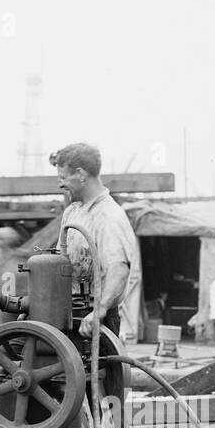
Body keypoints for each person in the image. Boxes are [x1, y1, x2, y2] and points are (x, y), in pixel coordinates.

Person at [50, 142, 139, 339]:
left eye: (63, 177)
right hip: (67, 312)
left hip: (93, 317)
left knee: (93, 370)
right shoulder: (72, 212)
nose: (60, 184)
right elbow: (58, 263)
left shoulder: (109, 216)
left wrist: (100, 310)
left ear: (81, 174)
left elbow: (119, 269)